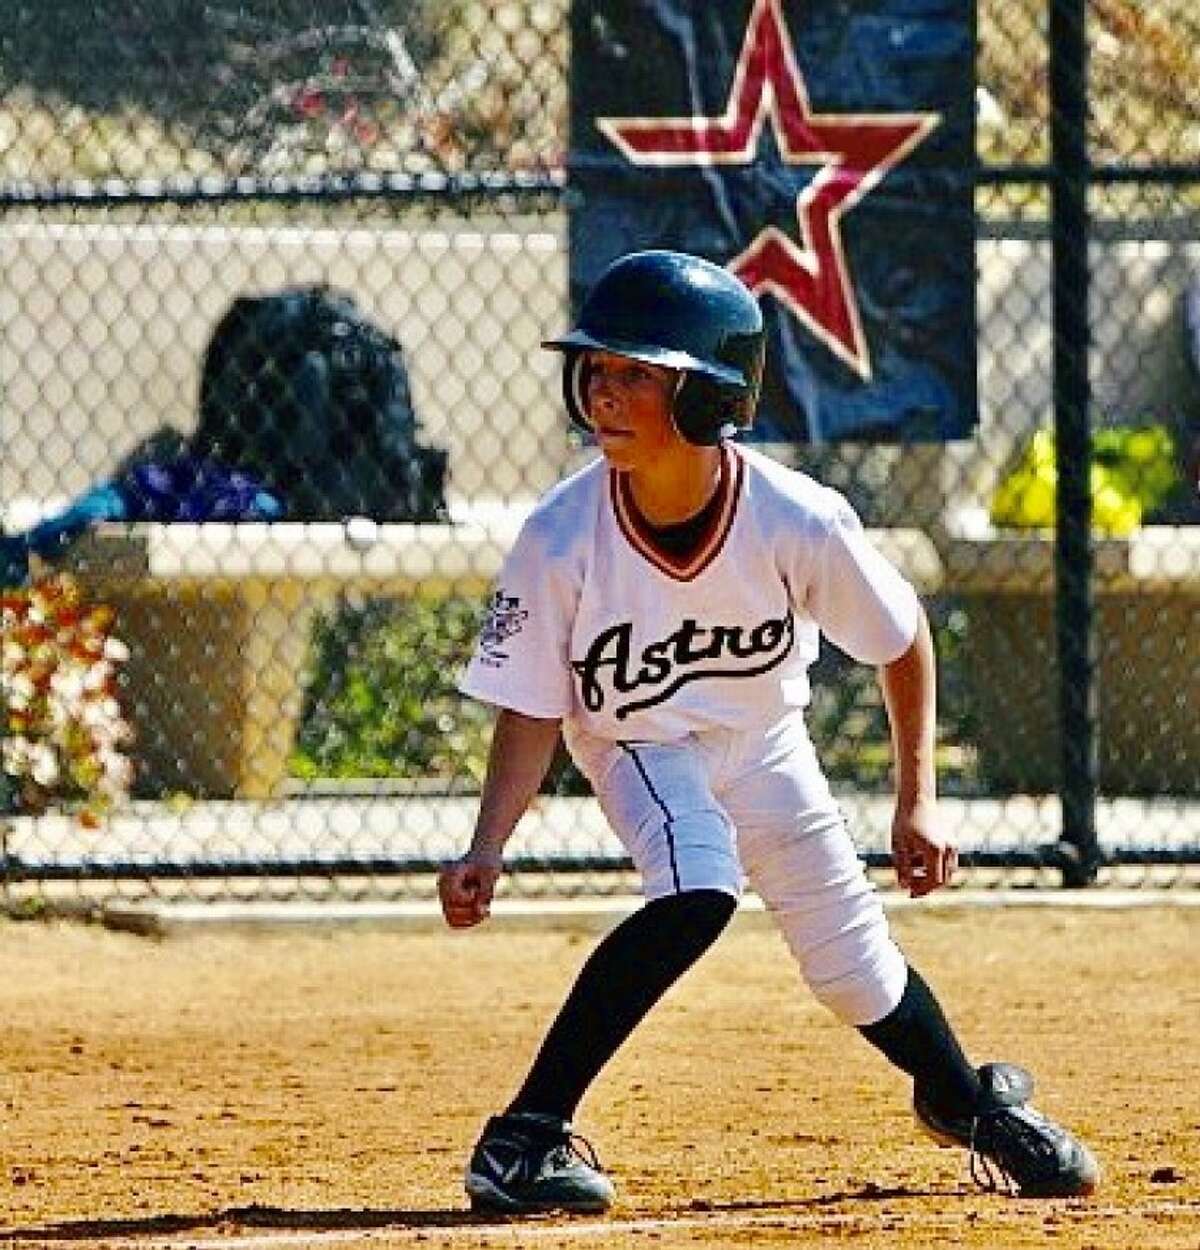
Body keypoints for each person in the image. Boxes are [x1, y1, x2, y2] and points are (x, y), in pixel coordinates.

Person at [438, 250, 1099, 1214]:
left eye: (637, 375)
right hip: (636, 743)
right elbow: (533, 704)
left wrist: (917, 800)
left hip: (766, 736)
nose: (605, 395)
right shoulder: (559, 536)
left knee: (852, 961)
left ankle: (966, 1103)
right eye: (598, 371)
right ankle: (522, 1138)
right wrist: (486, 846)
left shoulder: (796, 518)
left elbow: (900, 639)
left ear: (709, 396)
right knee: (699, 887)